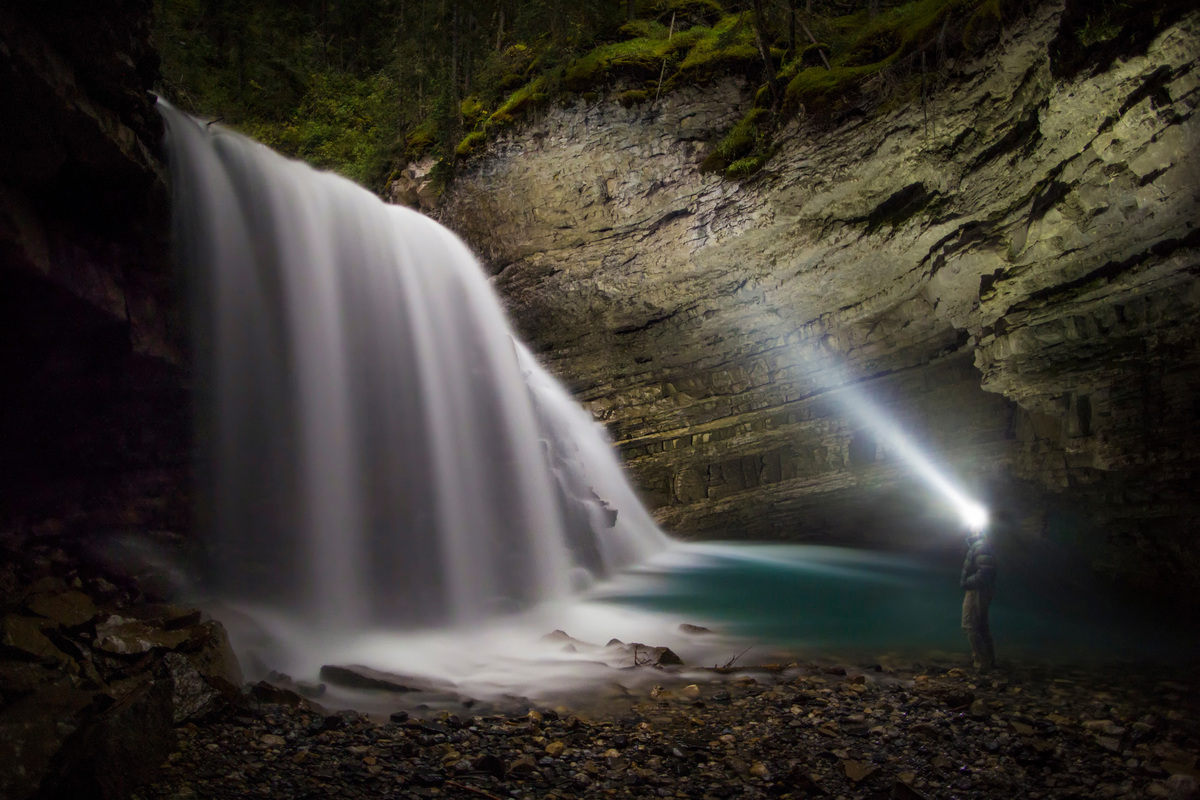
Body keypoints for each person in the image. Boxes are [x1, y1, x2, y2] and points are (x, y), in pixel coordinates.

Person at [960, 524, 997, 672]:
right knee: (981, 626)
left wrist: (967, 582)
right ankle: (988, 661)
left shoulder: (981, 546)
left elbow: (985, 571)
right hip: (981, 590)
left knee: (970, 625)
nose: (970, 528)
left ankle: (981, 663)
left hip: (977, 591)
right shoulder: (980, 545)